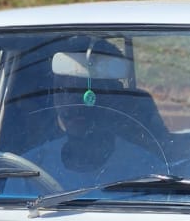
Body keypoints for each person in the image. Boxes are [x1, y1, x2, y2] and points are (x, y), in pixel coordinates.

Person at [20, 41, 167, 189]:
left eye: (87, 91)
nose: (73, 103)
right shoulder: (27, 171)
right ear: (52, 96)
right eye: (62, 89)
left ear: (114, 96)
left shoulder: (149, 173)